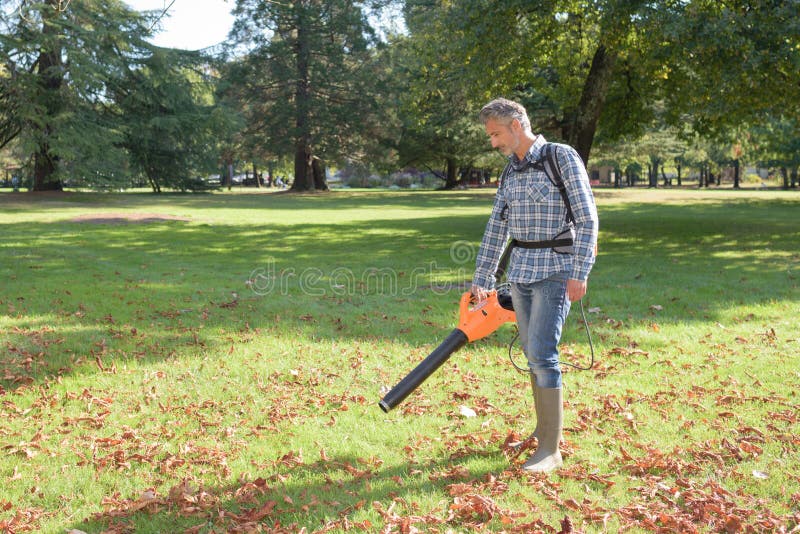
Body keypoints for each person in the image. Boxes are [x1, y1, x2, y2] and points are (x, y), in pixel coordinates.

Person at [471, 98, 598, 473]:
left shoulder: (560, 157)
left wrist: (581, 270)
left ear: (516, 125)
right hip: (521, 272)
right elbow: (497, 227)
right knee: (532, 354)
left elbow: (587, 217)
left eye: (495, 134)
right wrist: (483, 277)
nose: (493, 143)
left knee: (543, 353)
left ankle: (551, 451)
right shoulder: (510, 172)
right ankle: (544, 433)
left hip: (557, 271)